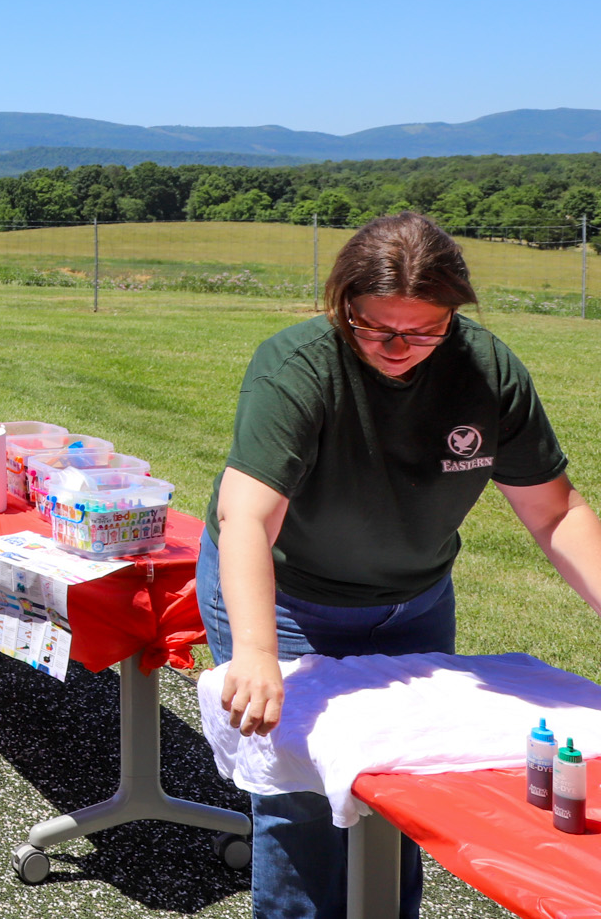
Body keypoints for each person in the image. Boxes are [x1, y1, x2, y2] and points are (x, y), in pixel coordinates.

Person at [204, 211, 601, 919]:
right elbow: (247, 517)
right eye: (374, 327)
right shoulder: (298, 366)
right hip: (287, 600)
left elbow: (555, 511)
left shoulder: (486, 370)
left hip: (412, 601)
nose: (396, 348)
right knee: (303, 800)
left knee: (401, 784)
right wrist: (257, 652)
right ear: (343, 304)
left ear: (454, 312)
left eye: (423, 330)